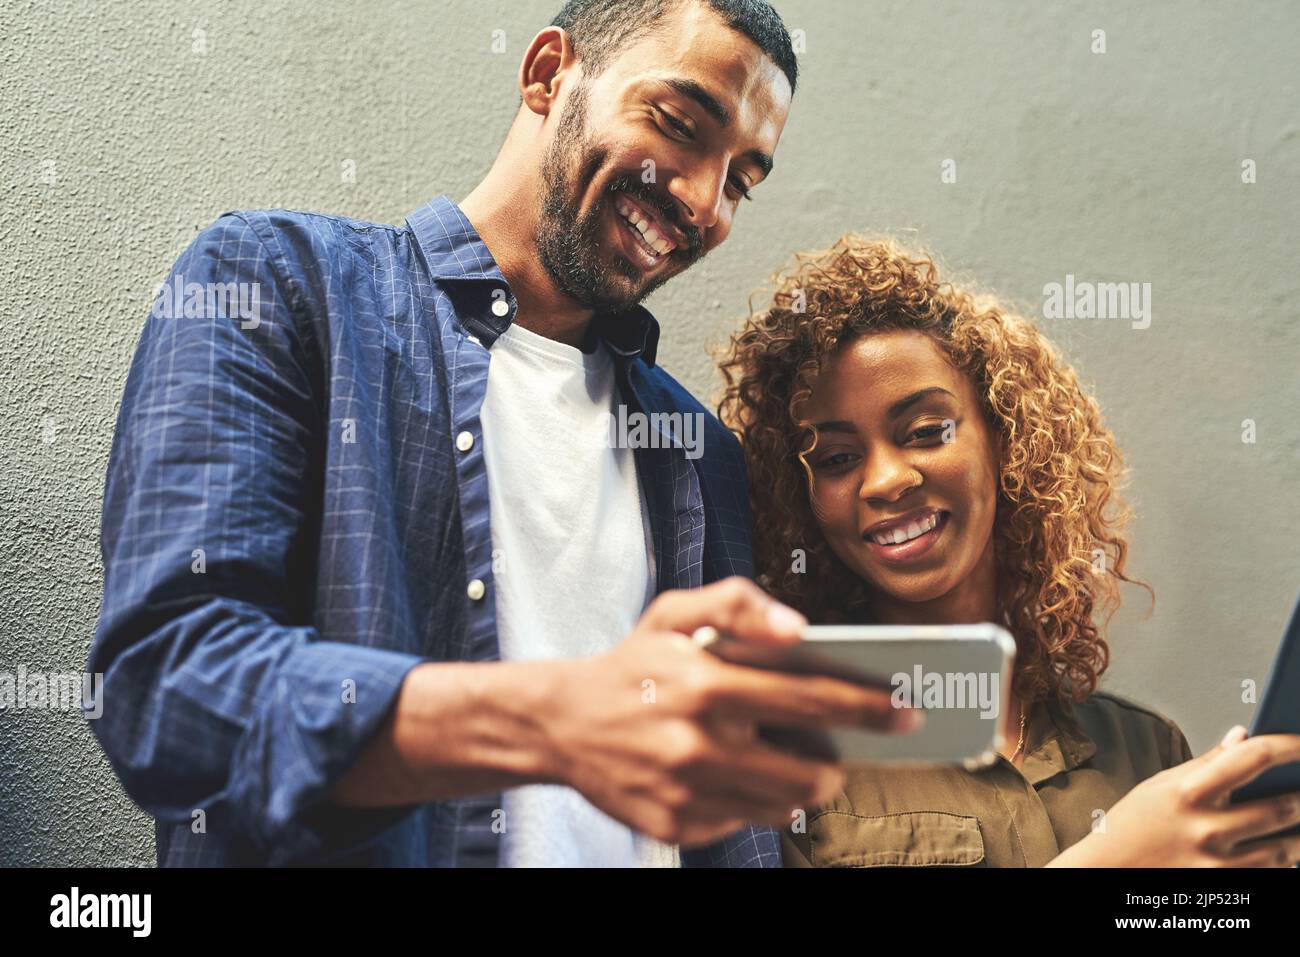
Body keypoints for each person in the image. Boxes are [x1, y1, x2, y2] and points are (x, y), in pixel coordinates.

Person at [87, 1, 913, 868]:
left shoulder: (700, 451)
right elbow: (163, 685)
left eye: (741, 181)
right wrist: (555, 717)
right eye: (677, 125)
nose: (705, 203)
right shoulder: (276, 285)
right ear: (549, 74)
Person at [717, 235, 1300, 867]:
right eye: (836, 459)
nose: (885, 480)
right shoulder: (778, 758)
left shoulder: (1142, 749)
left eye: (926, 431)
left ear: (1005, 440)